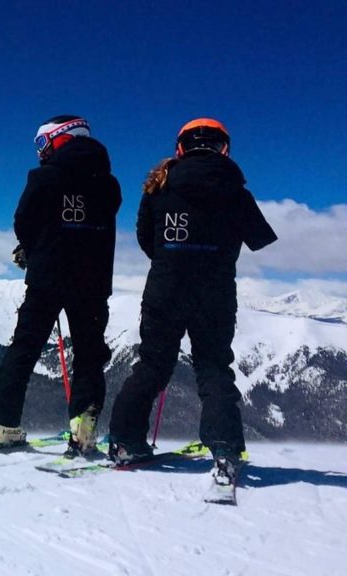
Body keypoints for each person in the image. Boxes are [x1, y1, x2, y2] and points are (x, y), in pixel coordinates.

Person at [107, 119, 277, 483]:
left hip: (165, 288)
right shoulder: (235, 190)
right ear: (223, 148)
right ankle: (225, 450)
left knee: (152, 365)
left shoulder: (159, 187)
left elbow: (146, 240)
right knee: (214, 368)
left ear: (180, 147)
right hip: (214, 292)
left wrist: (173, 256)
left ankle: (123, 441)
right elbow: (259, 238)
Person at [0, 115, 121, 456]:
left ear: (62, 138)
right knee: (89, 353)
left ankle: (0, 426)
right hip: (93, 280)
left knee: (24, 347)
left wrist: (33, 251)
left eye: (42, 143)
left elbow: (23, 220)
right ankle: (83, 431)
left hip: (47, 276)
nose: (40, 151)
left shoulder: (43, 177)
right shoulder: (109, 184)